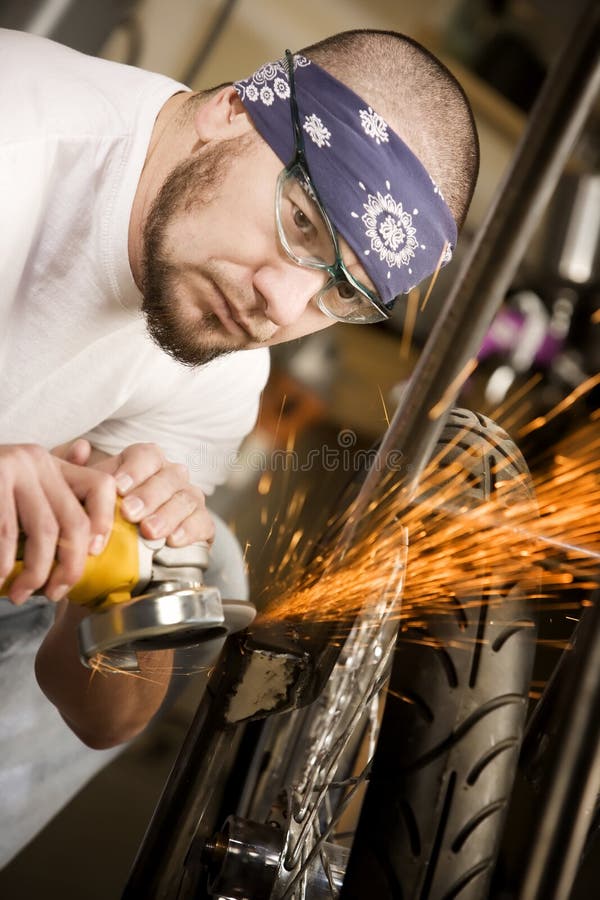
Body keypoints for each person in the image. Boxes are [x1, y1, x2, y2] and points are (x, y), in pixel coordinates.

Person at [0, 26, 479, 864]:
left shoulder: (219, 359)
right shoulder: (19, 139)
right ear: (231, 110)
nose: (280, 305)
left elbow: (104, 717)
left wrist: (125, 587)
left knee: (200, 563)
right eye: (299, 223)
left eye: (340, 293)